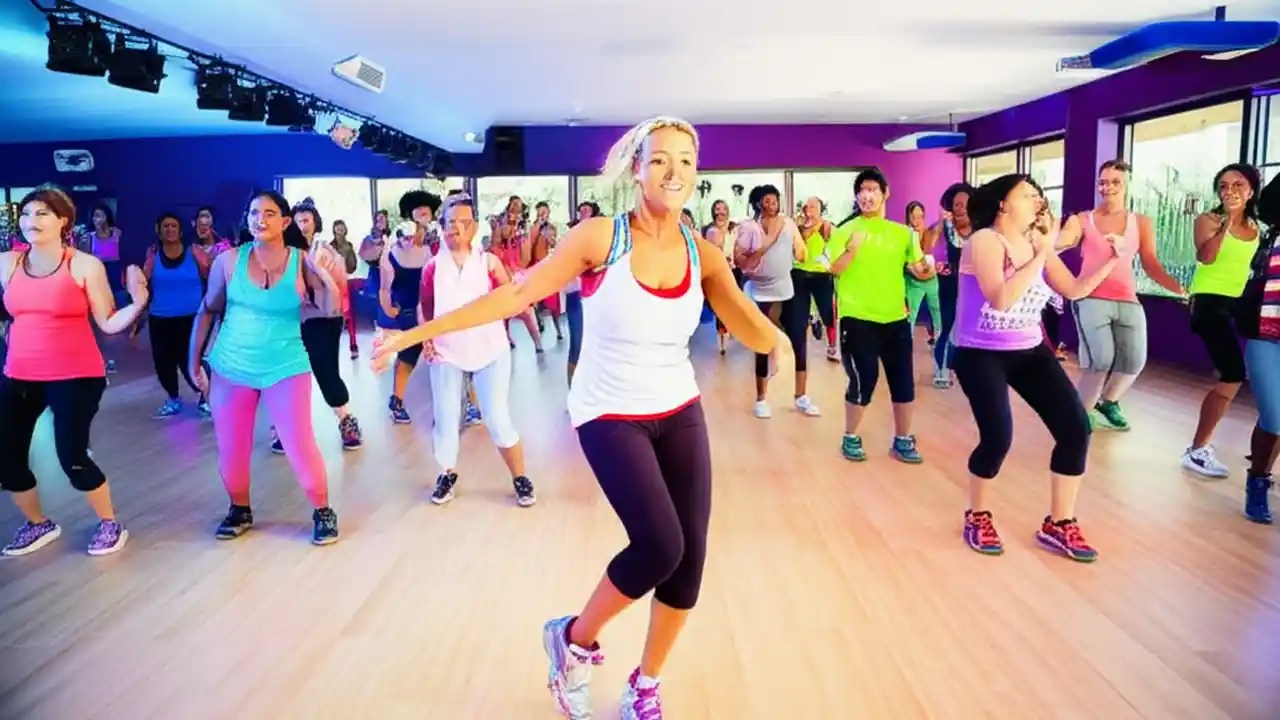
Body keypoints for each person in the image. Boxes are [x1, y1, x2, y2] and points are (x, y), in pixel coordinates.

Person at [371, 117, 782, 720]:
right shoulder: (600, 238)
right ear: (637, 169)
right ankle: (573, 640)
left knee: (689, 559)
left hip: (679, 406)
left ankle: (646, 683)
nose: (673, 172)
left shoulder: (705, 254)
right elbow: (516, 294)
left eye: (685, 161)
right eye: (660, 159)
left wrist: (781, 343)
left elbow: (745, 317)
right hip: (609, 410)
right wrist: (415, 333)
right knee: (660, 545)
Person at [953, 174, 1124, 562]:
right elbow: (1001, 298)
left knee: (1076, 429)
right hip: (980, 353)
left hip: (1029, 351)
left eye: (1039, 195)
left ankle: (1059, 523)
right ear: (1003, 203)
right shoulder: (984, 241)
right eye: (1029, 194)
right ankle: (977, 515)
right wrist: (1041, 253)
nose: (1038, 201)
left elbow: (1075, 290)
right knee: (998, 438)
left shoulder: (1036, 243)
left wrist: (1112, 260)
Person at [189, 190, 344, 546]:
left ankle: (322, 510)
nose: (261, 219)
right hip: (231, 366)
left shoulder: (302, 262)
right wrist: (193, 360)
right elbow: (208, 310)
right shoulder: (228, 261)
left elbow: (329, 309)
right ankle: (239, 509)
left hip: (286, 364)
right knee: (232, 447)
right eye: (254, 213)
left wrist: (324, 274)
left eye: (270, 213)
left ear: (285, 221)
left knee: (299, 443)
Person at [0, 187, 146, 557]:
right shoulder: (8, 264)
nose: (31, 221)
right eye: (27, 214)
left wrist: (139, 303)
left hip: (75, 376)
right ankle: (38, 524)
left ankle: (109, 522)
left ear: (63, 220)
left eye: (42, 214)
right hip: (20, 374)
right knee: (7, 456)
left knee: (72, 457)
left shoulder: (83, 265)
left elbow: (108, 323)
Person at [417, 193, 535, 506]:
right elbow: (425, 308)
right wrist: (427, 340)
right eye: (450, 221)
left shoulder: (488, 263)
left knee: (497, 418)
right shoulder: (432, 268)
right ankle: (446, 474)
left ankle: (520, 477)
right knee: (445, 419)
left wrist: (523, 291)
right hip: (446, 352)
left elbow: (511, 299)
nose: (456, 227)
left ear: (474, 226)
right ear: (442, 225)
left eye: (463, 222)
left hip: (490, 350)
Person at [1053, 160, 1183, 431]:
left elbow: (1150, 263)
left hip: (1127, 299)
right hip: (1090, 296)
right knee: (1100, 360)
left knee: (1134, 361)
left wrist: (1179, 289)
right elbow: (1062, 241)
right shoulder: (1082, 219)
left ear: (1127, 185)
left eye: (1115, 182)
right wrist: (1048, 238)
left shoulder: (1141, 222)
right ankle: (1079, 417)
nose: (1107, 187)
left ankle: (1108, 402)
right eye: (1103, 182)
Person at [829, 169, 933, 463]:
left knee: (903, 381)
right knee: (864, 379)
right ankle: (850, 436)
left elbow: (919, 271)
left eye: (873, 189)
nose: (867, 195)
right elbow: (833, 268)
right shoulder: (844, 231)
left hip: (895, 319)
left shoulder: (903, 234)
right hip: (857, 318)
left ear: (885, 193)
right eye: (862, 190)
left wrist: (927, 268)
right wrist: (851, 250)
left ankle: (902, 439)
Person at [1182, 164, 1262, 478]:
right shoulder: (1209, 220)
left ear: (1251, 190)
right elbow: (1207, 257)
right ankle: (1197, 449)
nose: (1230, 191)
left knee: (1263, 368)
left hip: (1240, 304)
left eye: (1238, 185)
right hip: (1209, 303)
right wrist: (1228, 221)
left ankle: (1265, 440)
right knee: (1233, 374)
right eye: (1224, 185)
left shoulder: (1258, 227)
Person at [735, 184, 810, 419]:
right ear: (758, 204)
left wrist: (804, 241)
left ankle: (801, 396)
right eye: (766, 201)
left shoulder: (788, 224)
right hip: (760, 292)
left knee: (799, 341)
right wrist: (764, 246)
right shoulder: (749, 227)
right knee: (762, 343)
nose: (771, 205)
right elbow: (740, 260)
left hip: (786, 291)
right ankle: (761, 399)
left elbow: (801, 253)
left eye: (774, 200)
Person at [1238, 172, 1279, 524]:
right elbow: (1267, 204)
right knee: (1274, 416)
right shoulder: (1272, 233)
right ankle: (1258, 481)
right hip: (1265, 331)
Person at [142, 211, 212, 419]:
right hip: (160, 318)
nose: (170, 230)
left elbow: (211, 277)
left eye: (173, 226)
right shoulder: (153, 255)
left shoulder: (195, 252)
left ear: (181, 231)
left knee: (191, 360)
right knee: (163, 361)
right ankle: (173, 399)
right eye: (165, 226)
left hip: (192, 318)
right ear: (159, 230)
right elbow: (142, 286)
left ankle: (205, 398)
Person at [921, 183, 975, 388]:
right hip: (950, 285)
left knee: (969, 329)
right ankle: (942, 369)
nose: (960, 208)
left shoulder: (981, 229)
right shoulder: (944, 227)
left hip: (974, 286)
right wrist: (940, 226)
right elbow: (927, 249)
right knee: (948, 326)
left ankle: (965, 368)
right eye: (956, 204)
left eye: (965, 204)